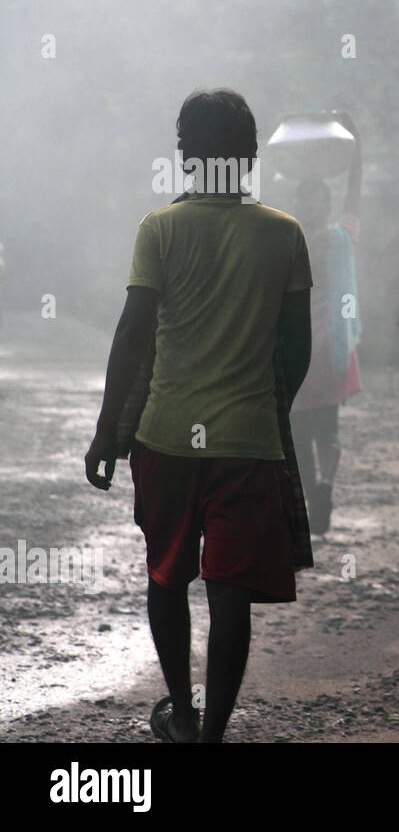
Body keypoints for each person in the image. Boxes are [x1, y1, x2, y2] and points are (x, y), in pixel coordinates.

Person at [84, 89, 313, 743]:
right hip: (247, 443)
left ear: (186, 155)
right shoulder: (284, 234)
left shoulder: (160, 230)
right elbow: (295, 351)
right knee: (230, 589)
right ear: (250, 154)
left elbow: (133, 336)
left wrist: (107, 431)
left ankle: (181, 713)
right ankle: (213, 734)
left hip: (166, 439)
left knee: (167, 574)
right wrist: (268, 409)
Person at [289, 111, 363, 536]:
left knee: (299, 427)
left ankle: (310, 499)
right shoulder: (340, 237)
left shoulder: (286, 237)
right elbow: (354, 196)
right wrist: (356, 146)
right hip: (333, 347)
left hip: (298, 351)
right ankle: (324, 487)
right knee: (328, 427)